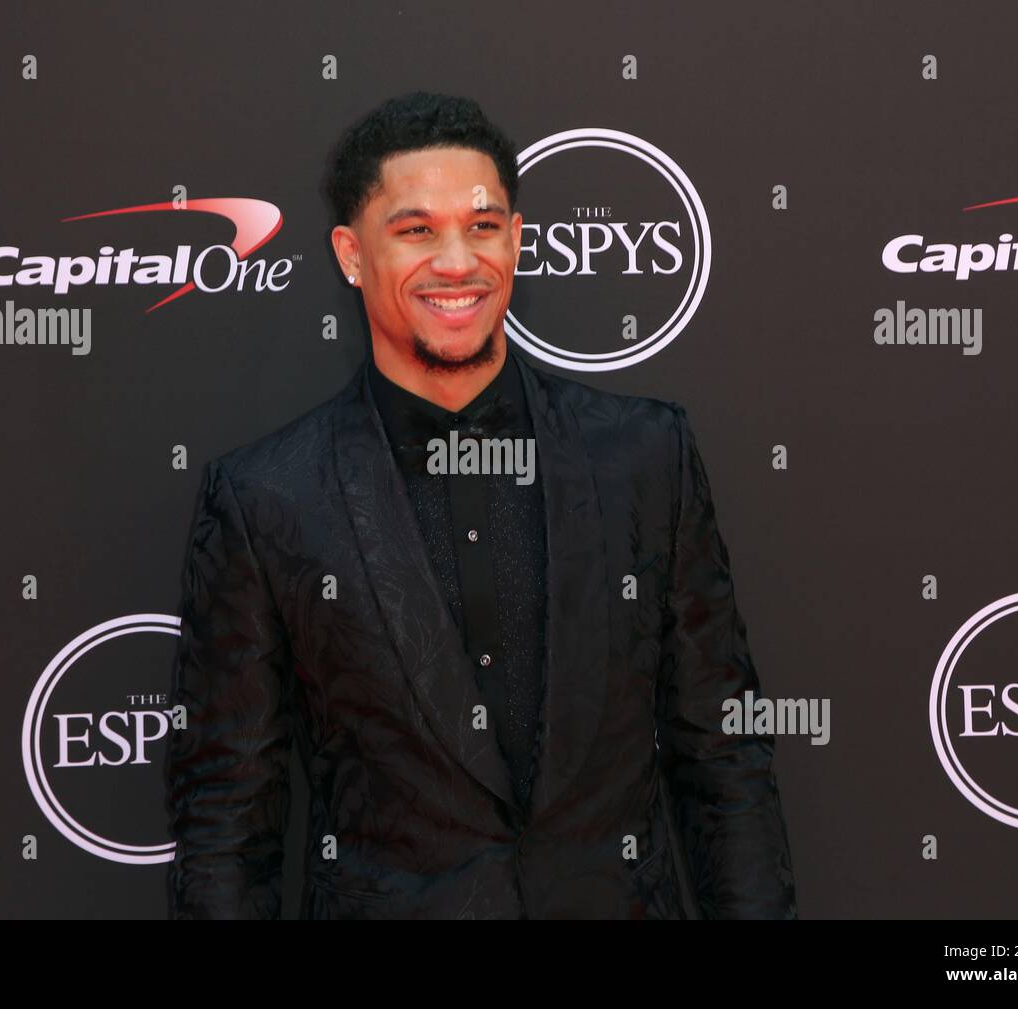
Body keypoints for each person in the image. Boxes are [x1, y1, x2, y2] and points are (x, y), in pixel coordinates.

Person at [164, 91, 797, 919]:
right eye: (416, 229)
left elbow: (723, 757)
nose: (458, 261)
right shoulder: (267, 498)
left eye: (484, 224)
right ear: (353, 256)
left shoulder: (645, 457)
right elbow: (226, 821)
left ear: (518, 240)